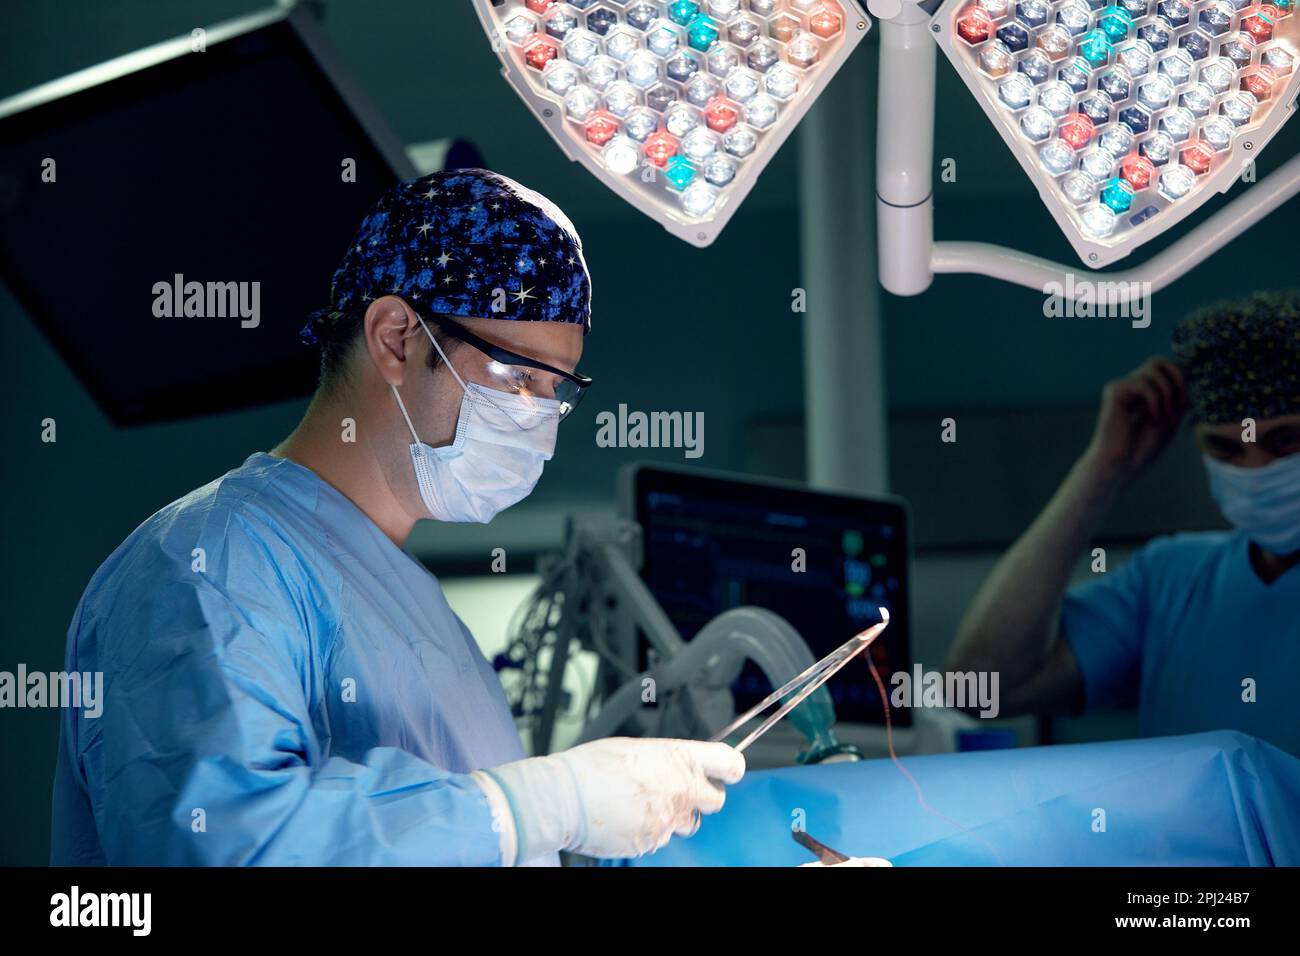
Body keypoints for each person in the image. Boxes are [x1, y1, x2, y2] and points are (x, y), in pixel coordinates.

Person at [51, 169, 744, 866]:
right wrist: (539, 805)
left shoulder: (425, 618)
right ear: (395, 338)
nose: (538, 419)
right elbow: (221, 846)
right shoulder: (207, 563)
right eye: (518, 376)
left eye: (556, 390)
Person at [948, 291, 1300, 756]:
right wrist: (1103, 469)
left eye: (1284, 441)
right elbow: (981, 688)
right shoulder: (1171, 579)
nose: (1254, 471)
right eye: (1225, 449)